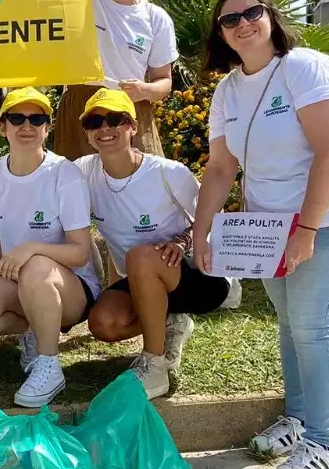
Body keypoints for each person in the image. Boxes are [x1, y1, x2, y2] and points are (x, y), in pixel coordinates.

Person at [190, 0, 329, 469]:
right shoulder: (228, 90)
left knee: (313, 324)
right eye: (230, 19)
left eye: (252, 12)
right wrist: (201, 230)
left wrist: (307, 229)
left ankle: (323, 442)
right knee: (290, 323)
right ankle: (297, 421)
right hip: (270, 227)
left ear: (271, 16)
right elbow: (222, 167)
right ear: (221, 34)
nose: (243, 23)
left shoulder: (306, 68)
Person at [76, 89, 234, 398]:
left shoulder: (168, 173)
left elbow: (214, 213)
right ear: (87, 132)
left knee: (141, 256)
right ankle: (171, 321)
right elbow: (37, 180)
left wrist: (182, 239)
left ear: (133, 126)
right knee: (103, 324)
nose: (105, 129)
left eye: (115, 120)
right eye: (95, 121)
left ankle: (154, 364)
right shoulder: (82, 172)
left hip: (200, 276)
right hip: (142, 279)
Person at [0, 87, 100, 408]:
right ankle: (37, 326)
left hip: (71, 290)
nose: (27, 126)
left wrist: (31, 249)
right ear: (2, 126)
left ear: (47, 128)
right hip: (20, 282)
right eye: (16, 118)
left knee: (34, 266)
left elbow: (80, 252)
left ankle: (49, 365)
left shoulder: (65, 174)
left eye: (37, 118)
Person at [53, 0, 176, 163]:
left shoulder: (156, 18)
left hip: (130, 111)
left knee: (139, 192)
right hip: (82, 110)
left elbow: (164, 82)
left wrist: (144, 90)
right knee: (77, 193)